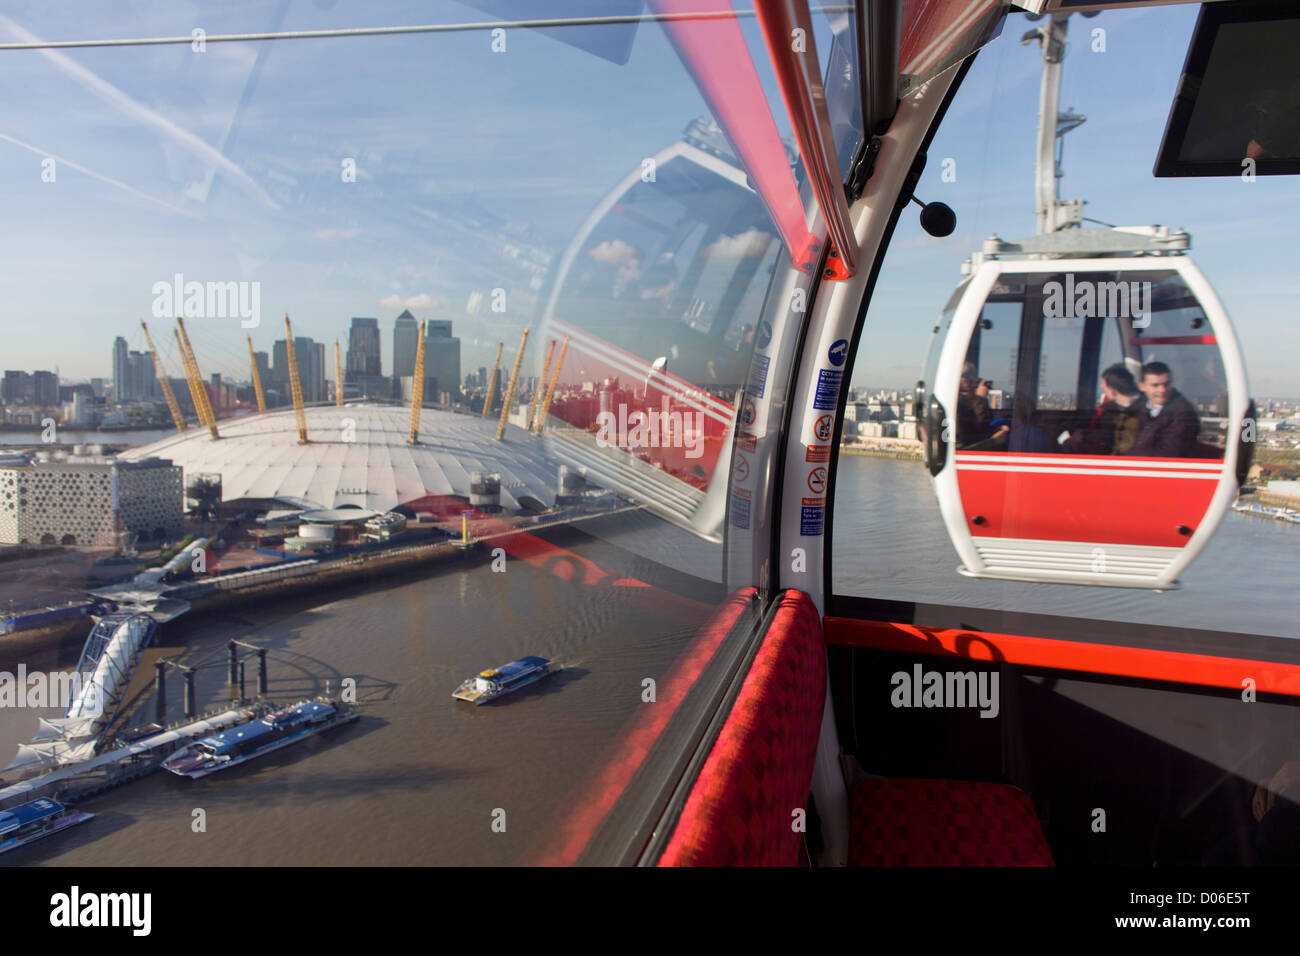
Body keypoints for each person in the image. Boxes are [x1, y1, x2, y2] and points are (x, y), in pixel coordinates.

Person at [1060, 363, 1142, 455]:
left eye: (1104, 385)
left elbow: (1112, 437)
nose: (1101, 387)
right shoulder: (1110, 408)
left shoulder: (1143, 410)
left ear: (1112, 390)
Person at [1126, 361, 1201, 458]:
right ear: (1142, 387)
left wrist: (1124, 458)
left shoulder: (1184, 415)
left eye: (1166, 384)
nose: (1162, 390)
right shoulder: (1135, 408)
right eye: (1155, 385)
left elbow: (1167, 454)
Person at [955, 364, 994, 448]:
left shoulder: (971, 398)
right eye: (966, 375)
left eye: (973, 376)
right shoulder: (955, 401)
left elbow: (986, 423)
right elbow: (978, 426)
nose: (971, 379)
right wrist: (980, 399)